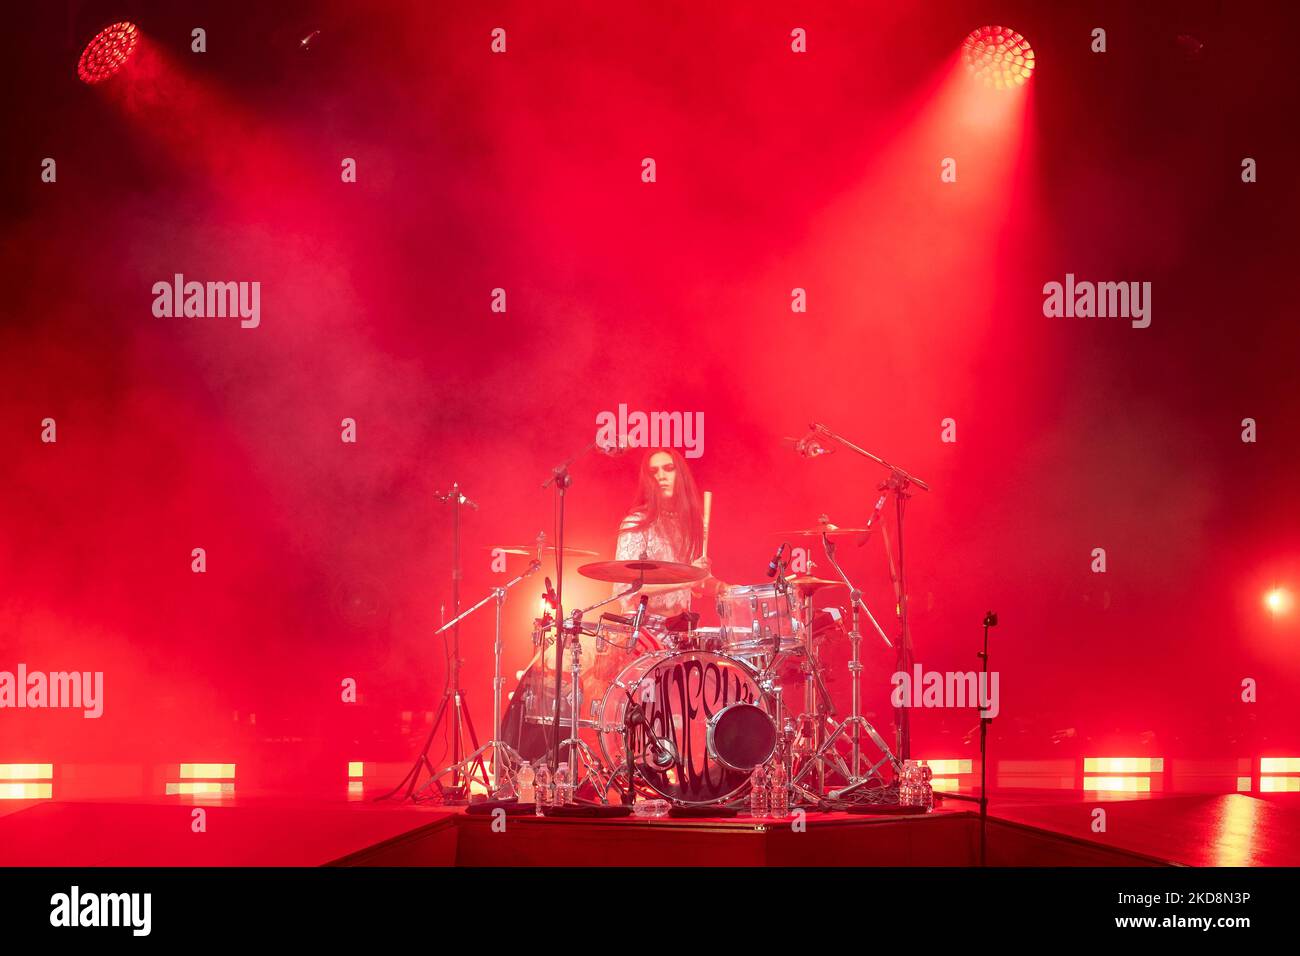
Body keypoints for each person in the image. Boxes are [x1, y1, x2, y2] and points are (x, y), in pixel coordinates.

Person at [614, 448, 710, 618]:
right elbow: (626, 588)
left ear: (681, 475)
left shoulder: (685, 523)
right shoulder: (637, 523)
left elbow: (695, 586)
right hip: (644, 628)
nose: (661, 476)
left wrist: (726, 588)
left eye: (668, 468)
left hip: (679, 626)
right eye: (653, 472)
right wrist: (685, 581)